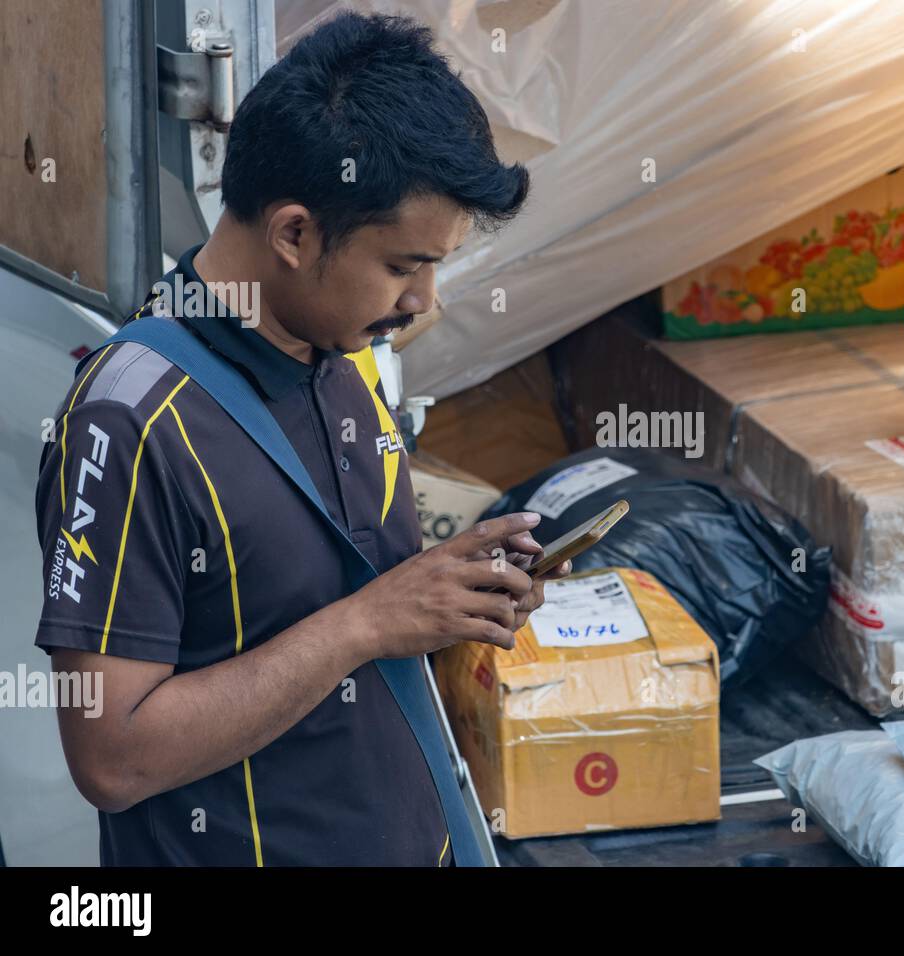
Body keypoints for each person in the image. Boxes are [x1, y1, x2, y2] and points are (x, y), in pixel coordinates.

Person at [32, 10, 567, 866]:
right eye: (403, 266)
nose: (424, 302)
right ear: (292, 233)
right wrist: (370, 622)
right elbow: (112, 757)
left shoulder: (348, 351)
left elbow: (338, 608)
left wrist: (460, 594)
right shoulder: (131, 420)